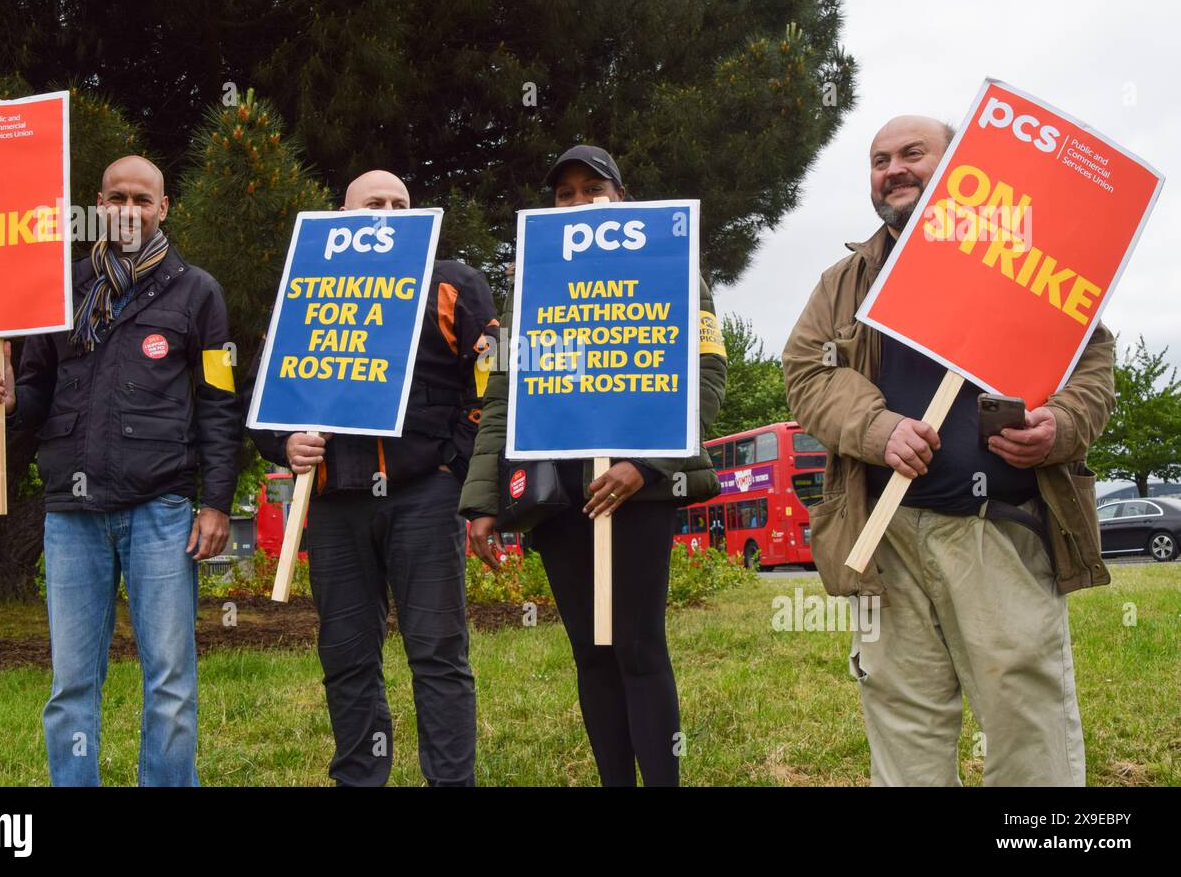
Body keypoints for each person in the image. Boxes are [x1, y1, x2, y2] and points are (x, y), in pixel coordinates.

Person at [781, 116, 1115, 786]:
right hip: (887, 538)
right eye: (879, 160)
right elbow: (806, 371)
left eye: (913, 154)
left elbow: (1093, 366)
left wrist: (1061, 425)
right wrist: (877, 429)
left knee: (1029, 726)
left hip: (1001, 534)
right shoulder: (844, 282)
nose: (893, 169)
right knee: (904, 728)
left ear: (960, 164)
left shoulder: (1027, 257)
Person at [461, 145, 727, 786]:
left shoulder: (678, 271)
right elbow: (502, 396)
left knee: (639, 649)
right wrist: (481, 500)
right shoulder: (527, 284)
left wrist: (644, 464)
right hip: (558, 499)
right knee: (591, 653)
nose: (578, 202)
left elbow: (708, 380)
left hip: (640, 494)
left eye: (593, 189)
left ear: (622, 199)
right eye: (564, 193)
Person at [0, 155, 241, 786]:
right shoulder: (59, 290)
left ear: (163, 208)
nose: (128, 209)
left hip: (162, 509)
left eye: (142, 199)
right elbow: (36, 392)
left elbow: (220, 404)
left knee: (170, 682)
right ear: (98, 203)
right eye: (116, 197)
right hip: (72, 514)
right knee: (72, 683)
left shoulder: (198, 292)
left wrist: (217, 502)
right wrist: (10, 398)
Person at [247, 170, 499, 787]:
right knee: (346, 657)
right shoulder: (303, 287)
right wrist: (284, 442)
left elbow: (493, 382)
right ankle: (360, 777)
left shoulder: (455, 284)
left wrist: (456, 469)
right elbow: (259, 395)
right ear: (341, 215)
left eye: (400, 205)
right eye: (373, 204)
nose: (387, 213)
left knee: (438, 654)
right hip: (336, 506)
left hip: (424, 497)